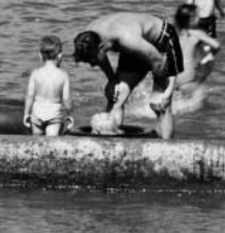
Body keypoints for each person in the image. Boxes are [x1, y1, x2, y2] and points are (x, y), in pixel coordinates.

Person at [73, 11, 182, 140]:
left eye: (92, 60)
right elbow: (100, 58)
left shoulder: (127, 39)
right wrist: (112, 80)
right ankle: (111, 142)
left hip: (162, 43)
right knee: (116, 96)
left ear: (101, 47)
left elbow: (159, 61)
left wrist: (161, 90)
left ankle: (166, 146)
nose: (92, 65)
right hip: (134, 47)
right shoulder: (89, 37)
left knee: (160, 105)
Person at [22, 35, 72, 136]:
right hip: (54, 113)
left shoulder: (35, 74)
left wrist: (26, 114)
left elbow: (30, 95)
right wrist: (70, 115)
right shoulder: (63, 75)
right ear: (60, 56)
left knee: (37, 142)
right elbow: (66, 99)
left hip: (37, 111)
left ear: (40, 55)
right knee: (51, 143)